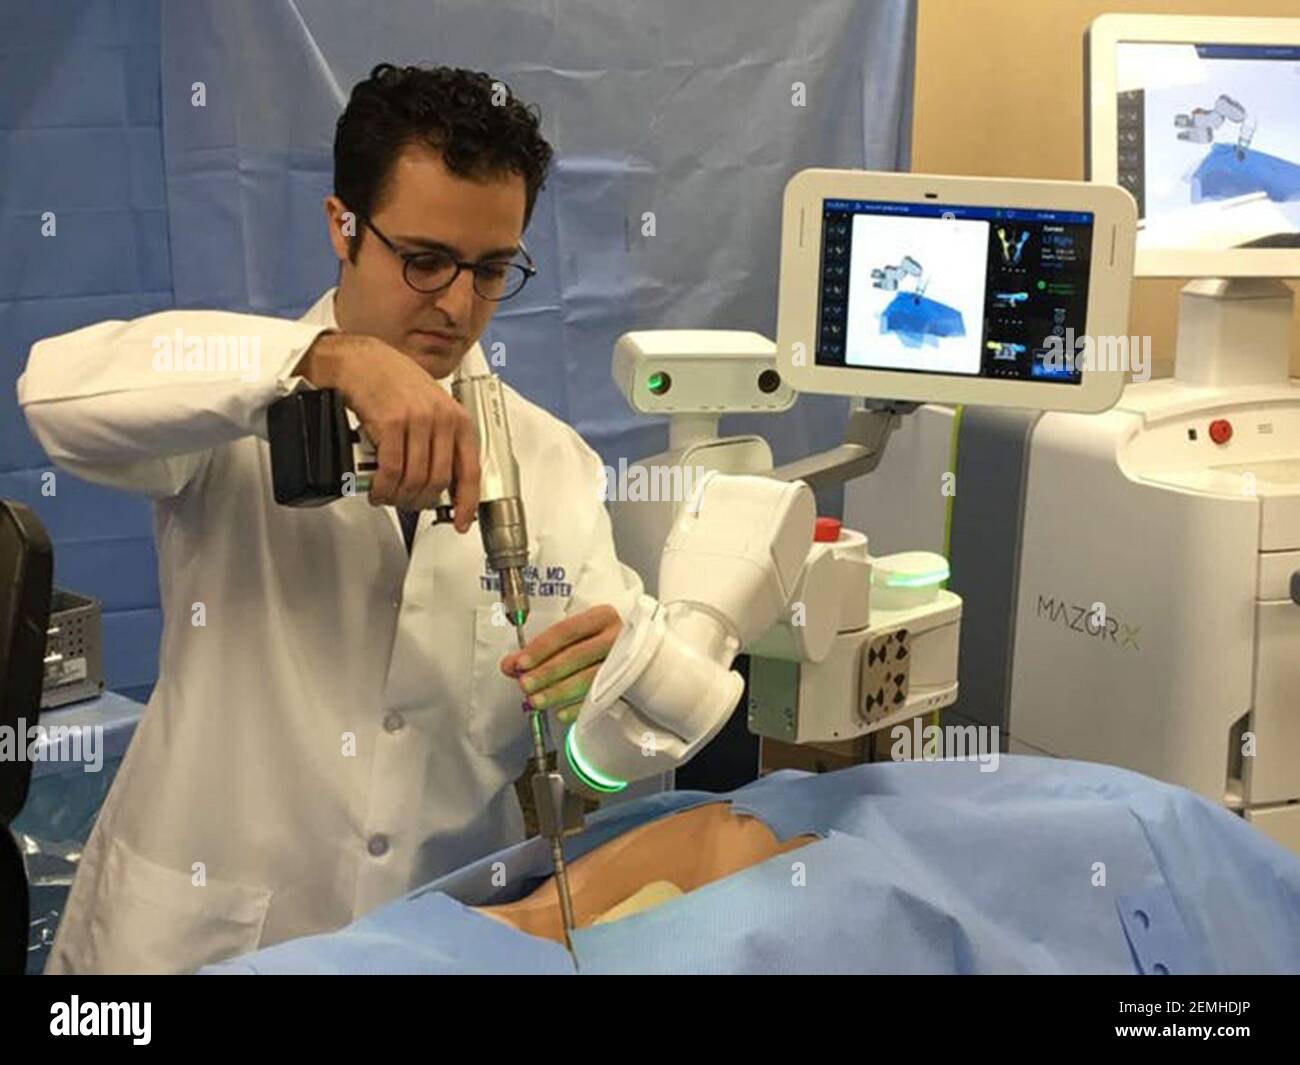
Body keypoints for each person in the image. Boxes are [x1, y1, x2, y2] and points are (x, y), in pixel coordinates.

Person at [16, 64, 639, 974]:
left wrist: (607, 692)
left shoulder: (551, 463)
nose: (459, 305)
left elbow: (603, 728)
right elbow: (55, 394)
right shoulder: (224, 409)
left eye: (493, 269)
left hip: (434, 937)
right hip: (204, 934)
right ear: (342, 226)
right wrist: (324, 358)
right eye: (424, 260)